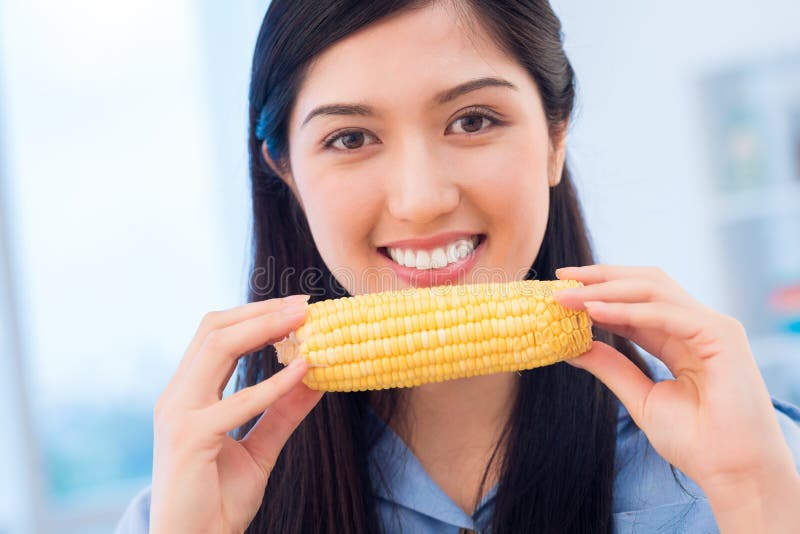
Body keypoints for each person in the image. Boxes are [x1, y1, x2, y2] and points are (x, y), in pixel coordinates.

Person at [116, 0, 800, 532]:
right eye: (350, 138)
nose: (421, 200)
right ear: (287, 174)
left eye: (472, 120)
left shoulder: (752, 457)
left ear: (555, 137)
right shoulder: (189, 507)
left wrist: (754, 497)